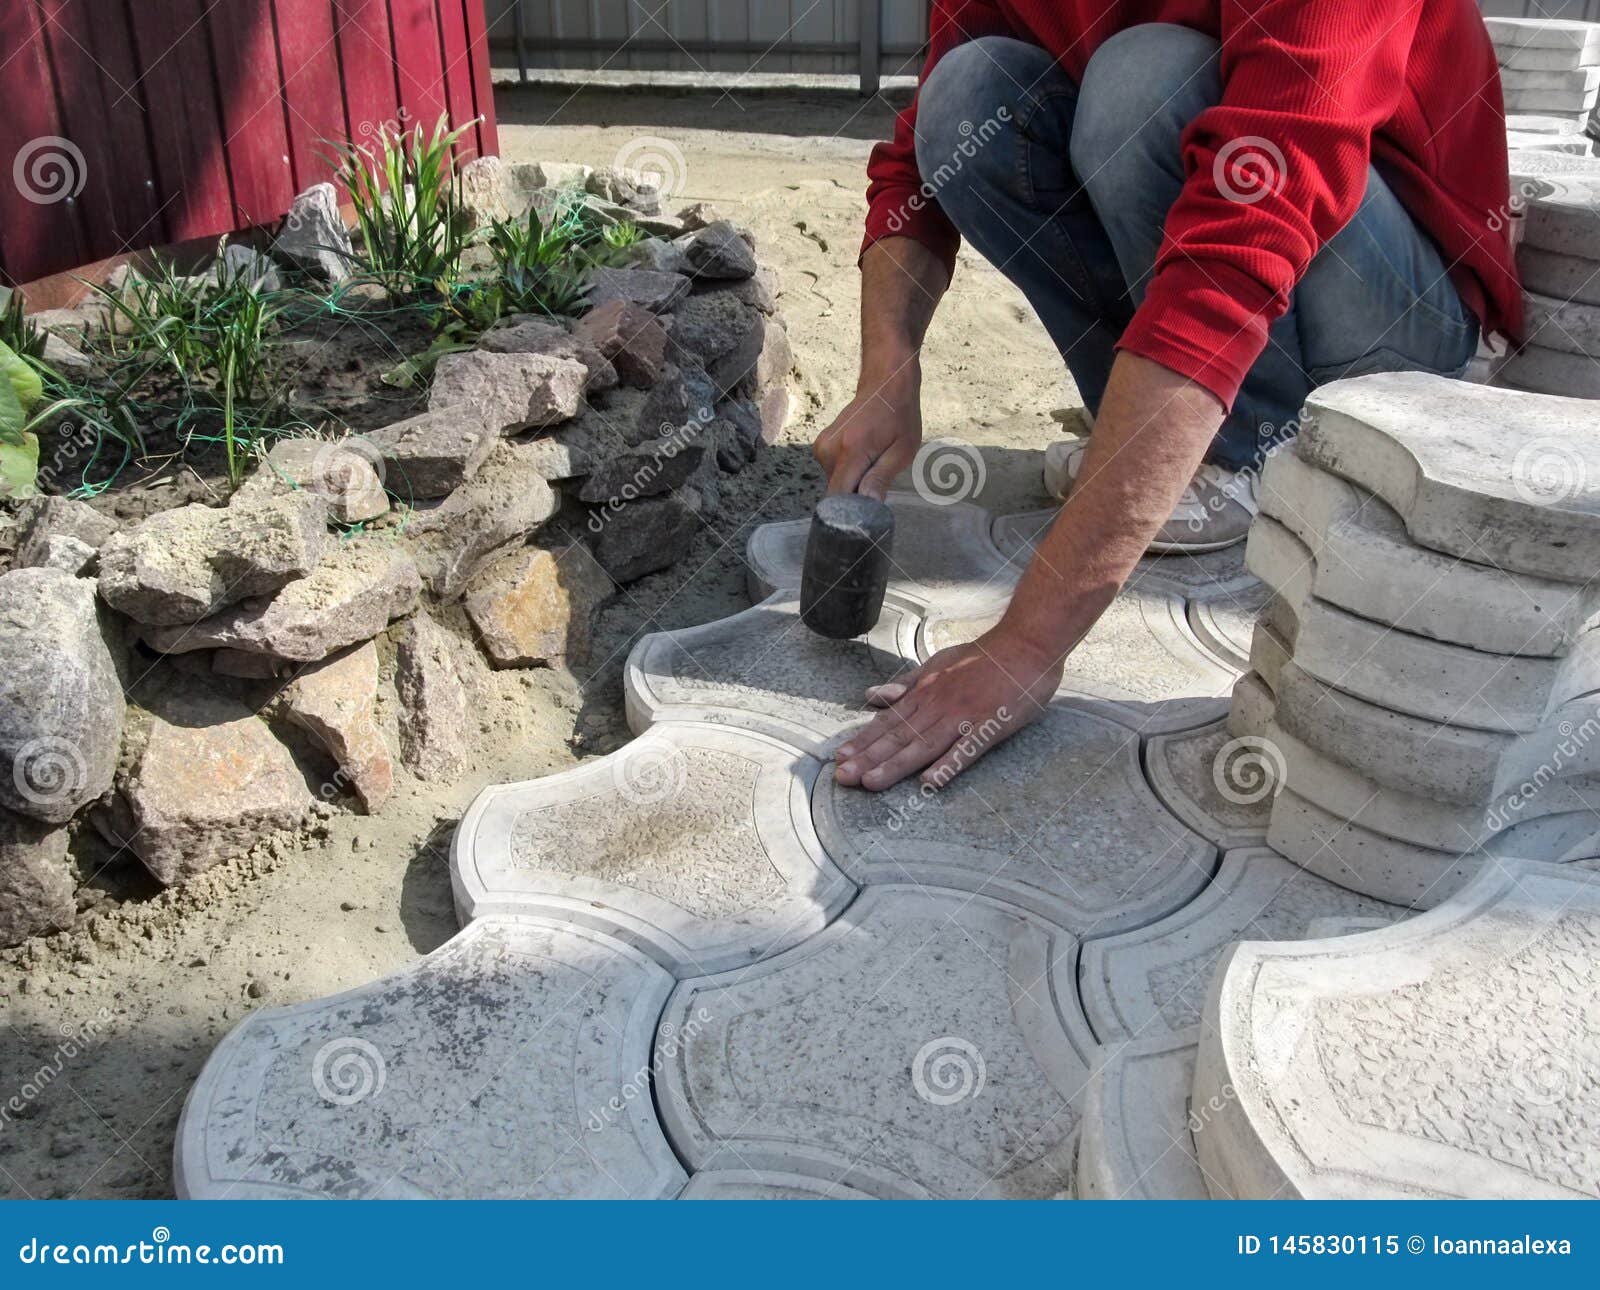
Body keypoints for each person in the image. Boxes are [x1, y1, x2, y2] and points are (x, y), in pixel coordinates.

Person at [816, 2, 1521, 794]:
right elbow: (917, 169)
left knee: (1142, 82)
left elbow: (1243, 235)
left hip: (1406, 306)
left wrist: (1026, 645)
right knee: (967, 99)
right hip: (1249, 240)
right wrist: (887, 372)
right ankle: (1189, 443)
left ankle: (1248, 445)